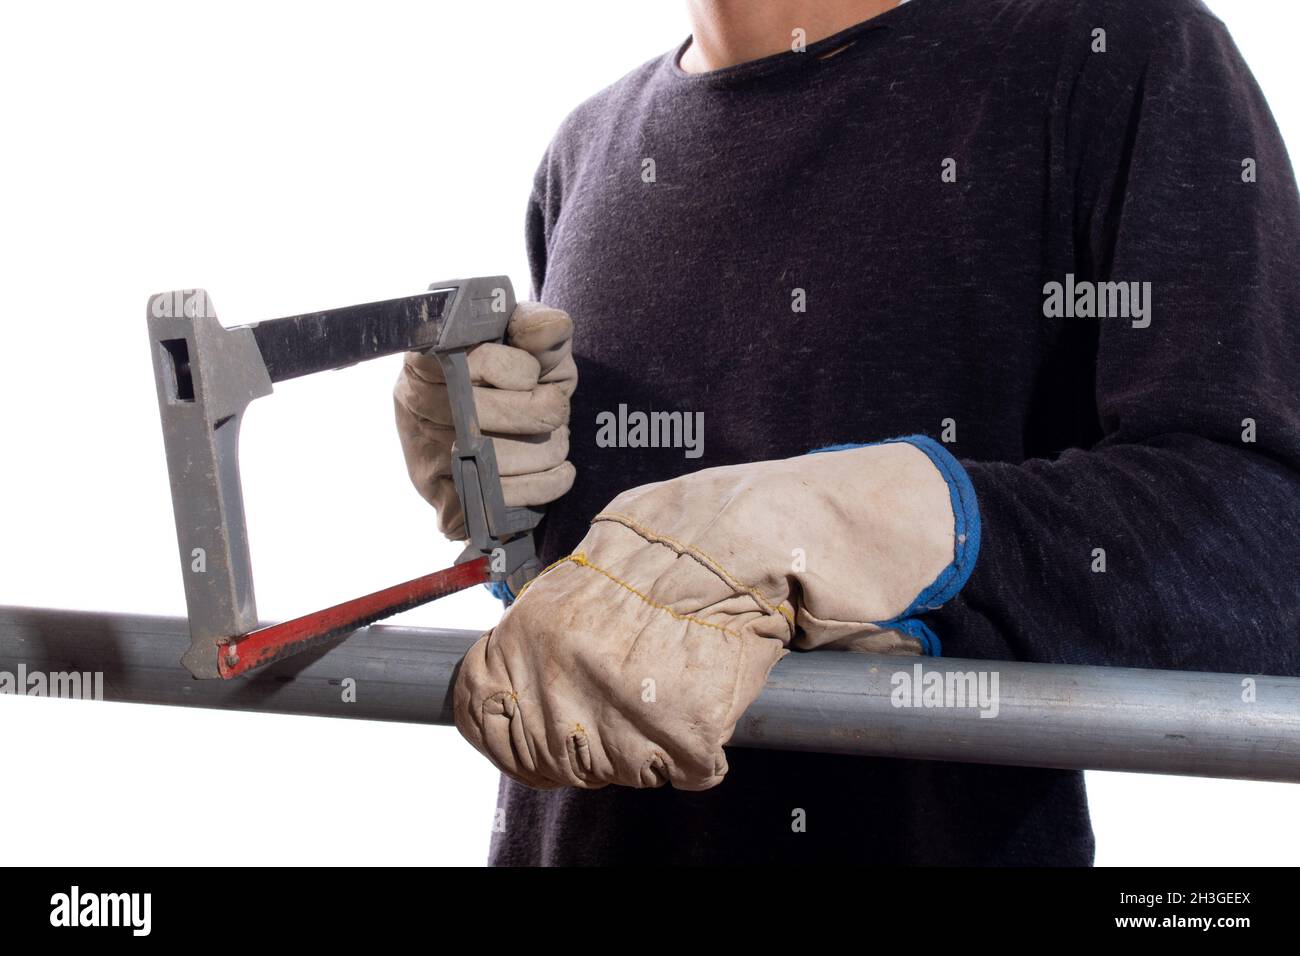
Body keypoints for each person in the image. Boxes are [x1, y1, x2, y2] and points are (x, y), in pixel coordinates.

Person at [394, 0, 1300, 865]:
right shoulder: (585, 151)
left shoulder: (1114, 55)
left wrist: (875, 525)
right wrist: (510, 518)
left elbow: (1263, 546)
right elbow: (632, 617)